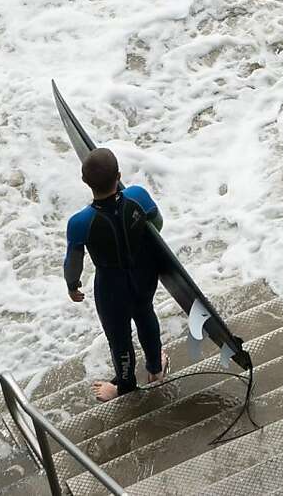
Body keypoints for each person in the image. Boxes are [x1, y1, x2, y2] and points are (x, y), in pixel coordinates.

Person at [64, 146, 168, 402]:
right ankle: (155, 368)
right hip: (144, 275)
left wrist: (72, 285)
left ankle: (123, 385)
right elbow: (157, 224)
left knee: (118, 337)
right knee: (146, 316)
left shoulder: (79, 223)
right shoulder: (138, 197)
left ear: (85, 182)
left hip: (111, 288)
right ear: (119, 175)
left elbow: (73, 263)